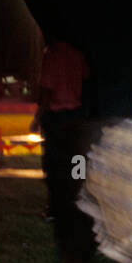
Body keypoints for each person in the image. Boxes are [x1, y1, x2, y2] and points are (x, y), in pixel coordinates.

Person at [31, 36, 90, 218]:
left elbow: (47, 90)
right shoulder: (77, 54)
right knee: (76, 159)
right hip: (77, 114)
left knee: (54, 163)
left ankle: (55, 207)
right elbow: (85, 77)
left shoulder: (52, 54)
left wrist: (37, 118)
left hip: (56, 117)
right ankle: (77, 200)